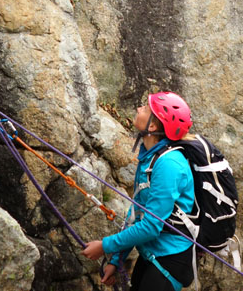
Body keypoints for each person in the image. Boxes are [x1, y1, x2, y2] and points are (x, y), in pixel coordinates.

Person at [81, 92, 196, 291]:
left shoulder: (168, 164)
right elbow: (137, 212)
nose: (138, 109)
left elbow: (151, 226)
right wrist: (116, 259)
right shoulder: (151, 157)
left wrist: (105, 246)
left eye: (145, 108)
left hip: (170, 259)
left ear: (152, 126)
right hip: (152, 254)